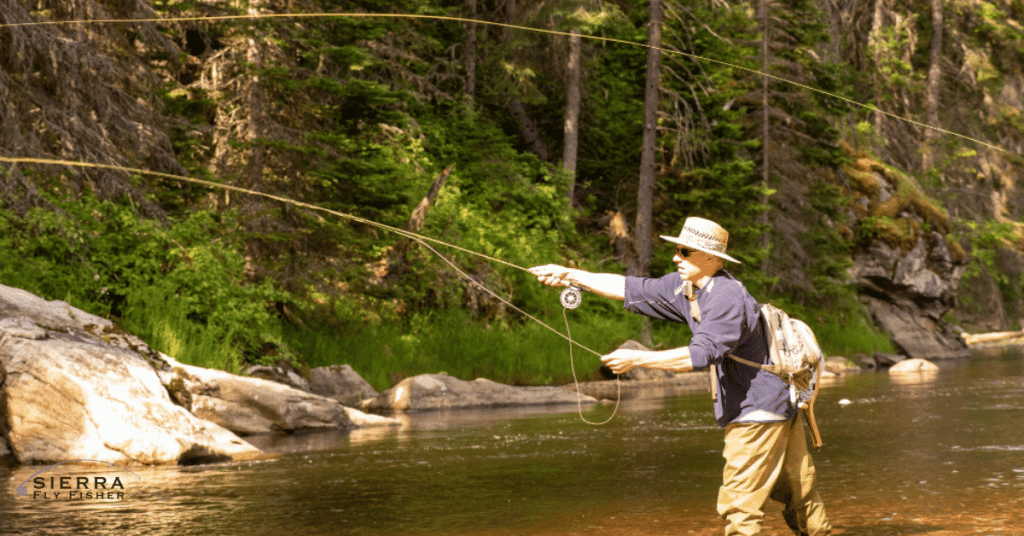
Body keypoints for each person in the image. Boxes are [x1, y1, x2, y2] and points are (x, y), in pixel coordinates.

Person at [529, 216, 831, 536]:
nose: (676, 257)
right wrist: (569, 274)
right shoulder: (685, 288)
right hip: (777, 399)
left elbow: (698, 355)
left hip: (758, 407)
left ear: (711, 259)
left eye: (685, 251)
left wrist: (638, 359)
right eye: (677, 249)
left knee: (740, 504)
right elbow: (628, 287)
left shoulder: (728, 297)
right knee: (796, 490)